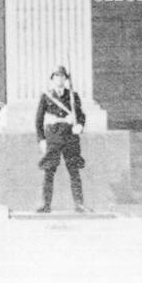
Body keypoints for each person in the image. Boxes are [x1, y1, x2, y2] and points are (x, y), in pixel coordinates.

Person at [35, 65, 87, 213]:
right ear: (52, 79)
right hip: (53, 136)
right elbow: (38, 120)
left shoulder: (73, 96)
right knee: (49, 170)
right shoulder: (46, 96)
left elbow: (81, 115)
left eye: (62, 76)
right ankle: (46, 205)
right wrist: (42, 139)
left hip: (70, 136)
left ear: (66, 79)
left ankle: (79, 204)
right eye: (57, 76)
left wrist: (80, 126)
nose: (60, 79)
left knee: (74, 170)